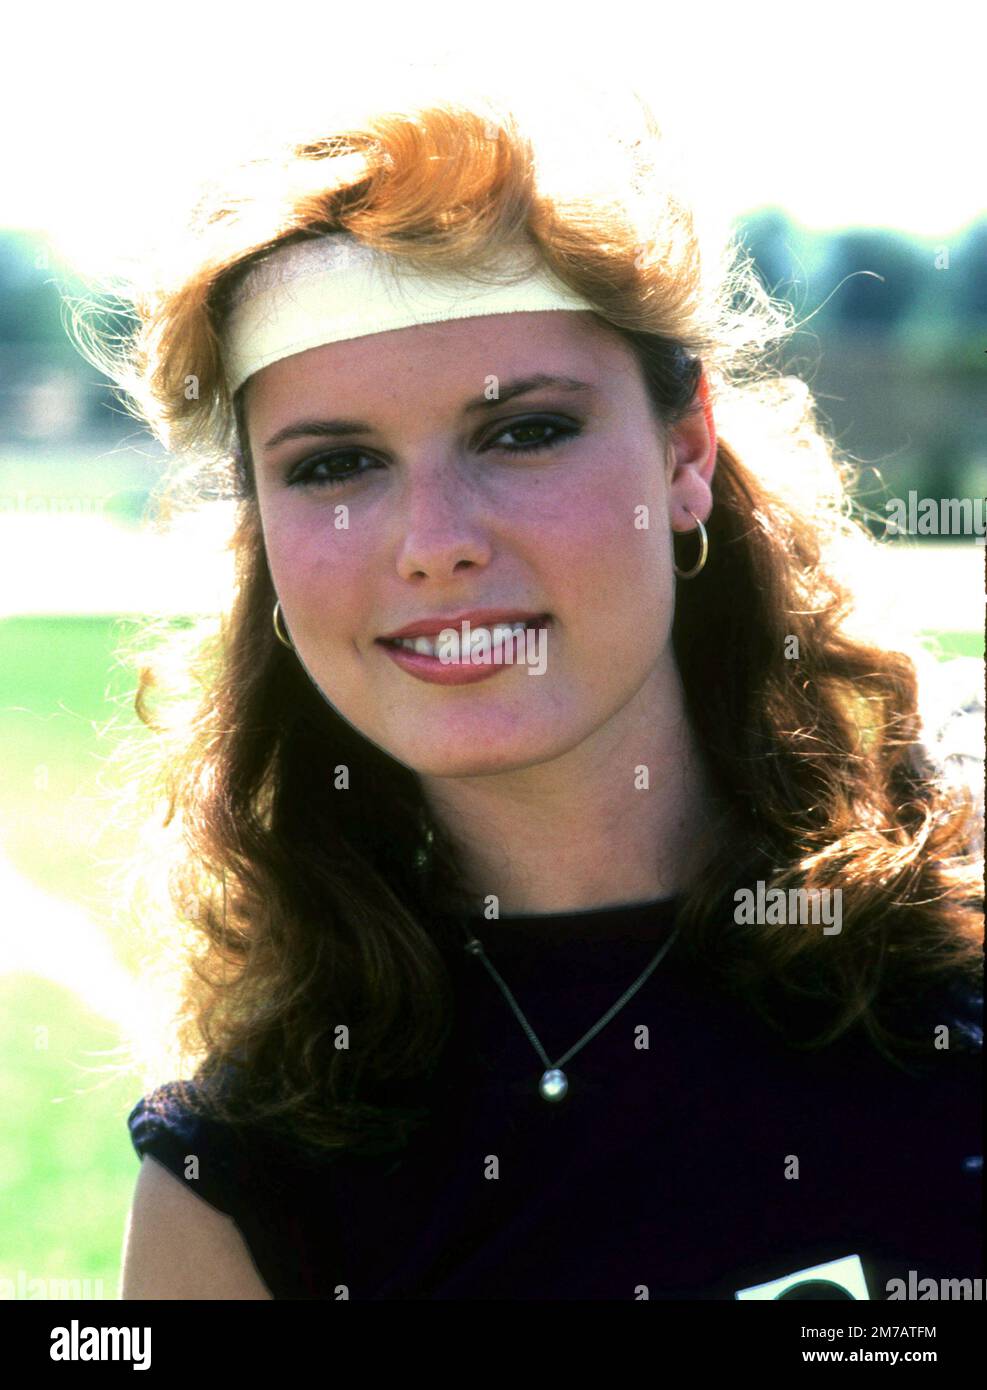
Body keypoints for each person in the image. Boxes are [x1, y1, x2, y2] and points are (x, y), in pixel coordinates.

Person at [75, 85, 981, 1300]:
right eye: (336, 465)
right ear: (267, 540)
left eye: (524, 432)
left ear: (684, 452)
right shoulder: (247, 1176)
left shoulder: (953, 980)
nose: (434, 542)